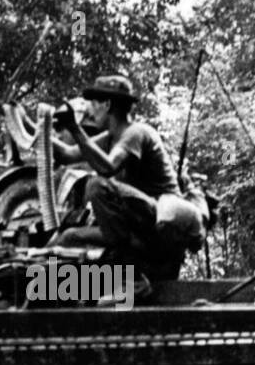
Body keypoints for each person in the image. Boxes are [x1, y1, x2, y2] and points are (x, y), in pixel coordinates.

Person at [51, 74, 204, 277]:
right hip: (136, 231)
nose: (90, 110)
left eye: (94, 103)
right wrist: (32, 127)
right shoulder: (111, 137)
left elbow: (107, 168)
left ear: (107, 104)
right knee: (69, 236)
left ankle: (128, 270)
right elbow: (67, 154)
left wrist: (75, 129)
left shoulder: (136, 133)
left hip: (157, 231)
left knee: (96, 186)